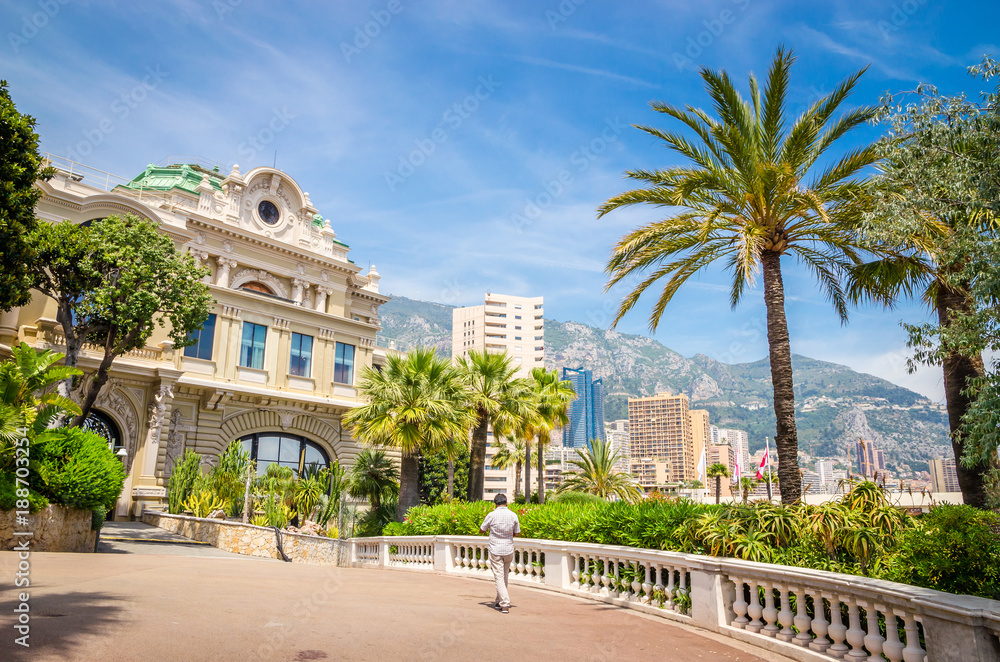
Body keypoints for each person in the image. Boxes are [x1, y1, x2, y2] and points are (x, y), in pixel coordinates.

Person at [479, 493, 520, 614]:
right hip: (508, 549)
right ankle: (498, 601)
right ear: (506, 503)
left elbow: (482, 530)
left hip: (496, 549)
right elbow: (517, 533)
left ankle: (505, 603)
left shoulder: (492, 515)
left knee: (498, 577)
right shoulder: (513, 515)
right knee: (504, 575)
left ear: (495, 504)